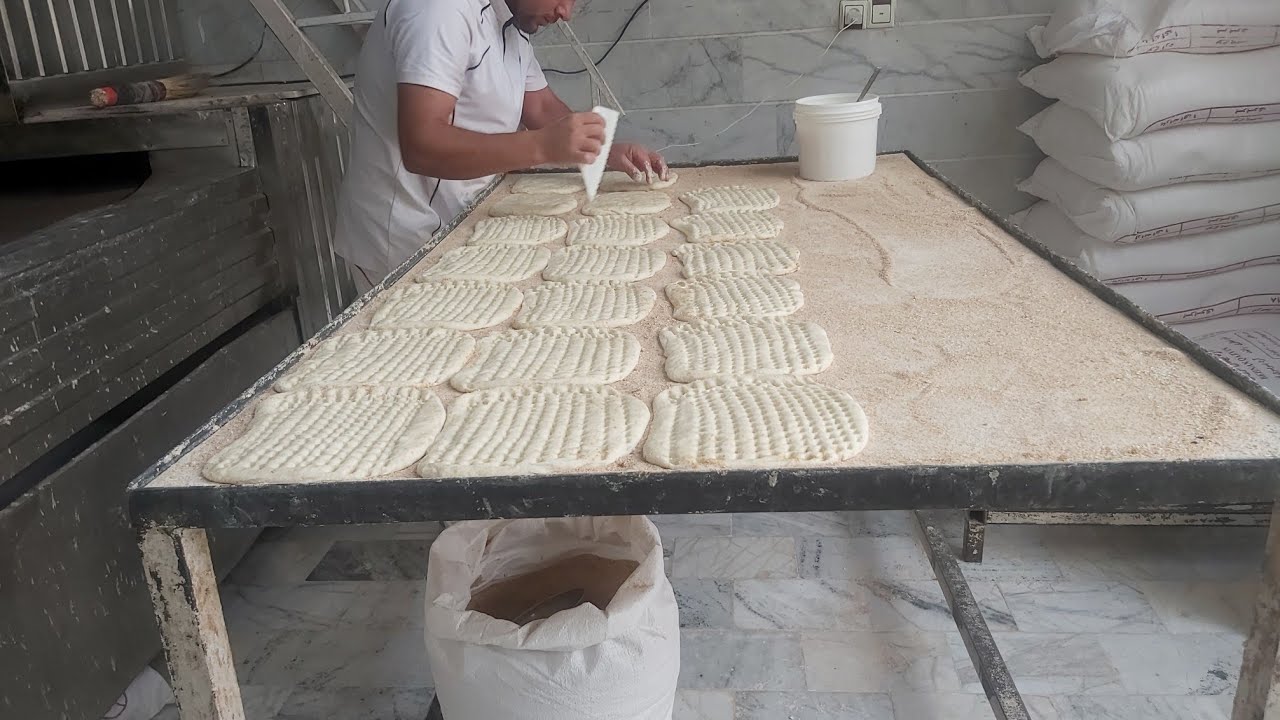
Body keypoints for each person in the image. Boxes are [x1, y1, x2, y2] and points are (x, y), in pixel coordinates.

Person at [334, 0, 668, 293]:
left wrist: (607, 150)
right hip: (406, 244)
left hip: (461, 226)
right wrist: (542, 146)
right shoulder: (439, 11)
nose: (566, 12)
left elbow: (541, 107)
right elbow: (421, 146)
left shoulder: (510, 22)